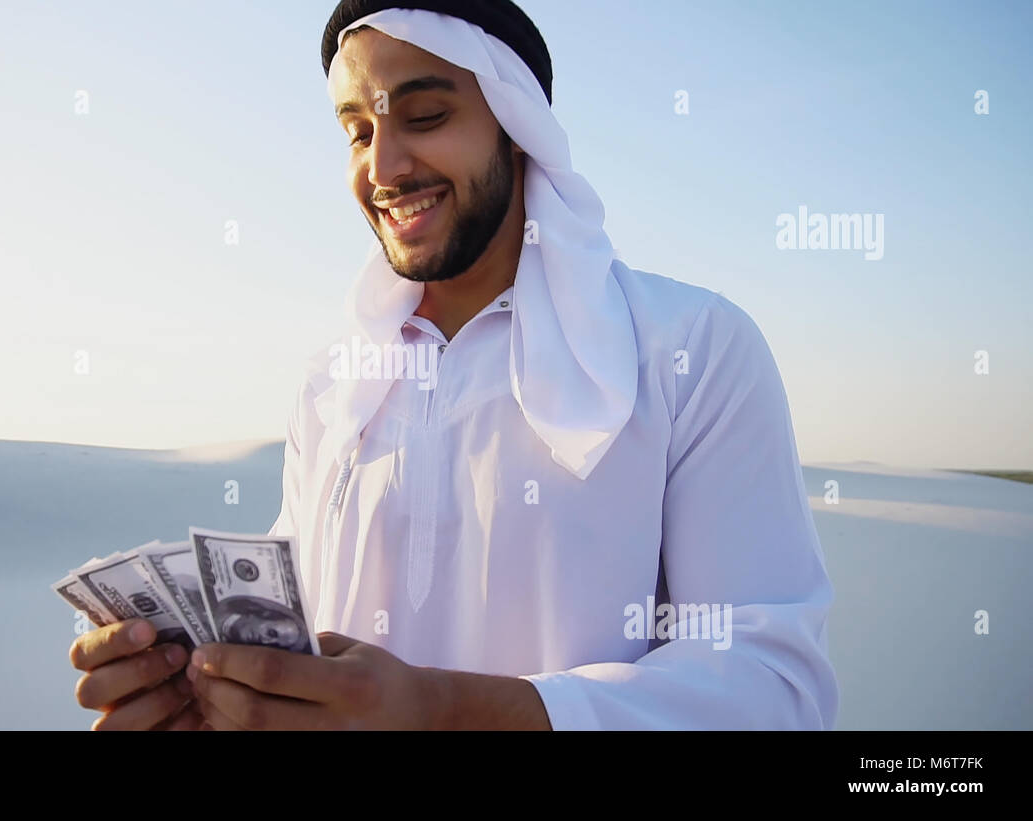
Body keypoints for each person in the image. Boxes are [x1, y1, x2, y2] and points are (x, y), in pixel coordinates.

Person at [69, 0, 839, 731]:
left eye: (426, 116)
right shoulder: (334, 383)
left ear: (516, 126)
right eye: (356, 132)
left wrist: (444, 712)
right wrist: (210, 692)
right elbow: (307, 661)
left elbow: (773, 689)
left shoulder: (692, 349)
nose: (385, 166)